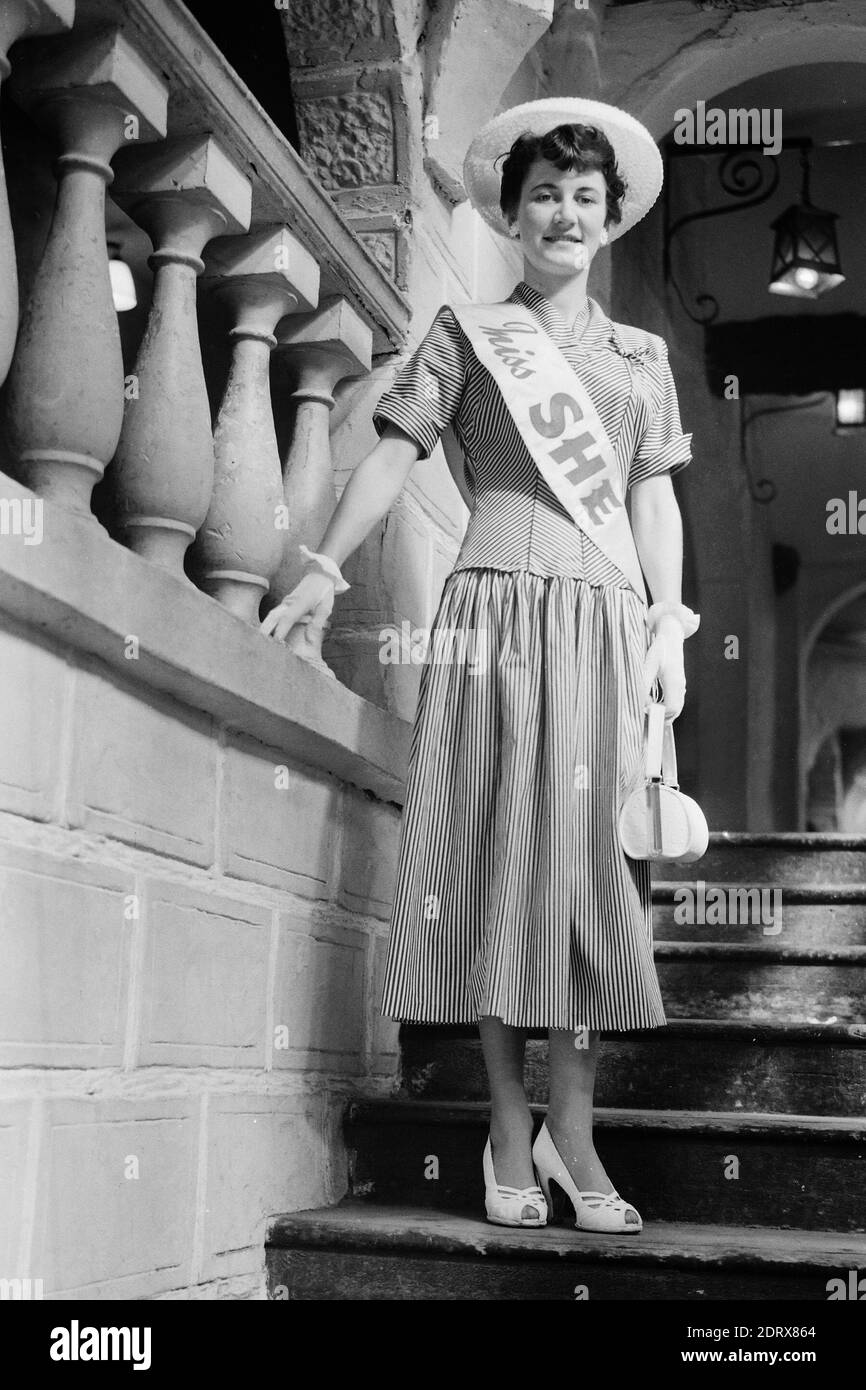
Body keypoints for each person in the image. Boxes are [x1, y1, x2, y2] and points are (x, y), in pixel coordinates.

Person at [261, 97, 699, 1234]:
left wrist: (665, 622)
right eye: (543, 193)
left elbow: (651, 497)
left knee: (590, 881)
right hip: (492, 621)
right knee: (503, 861)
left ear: (609, 221)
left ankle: (574, 1127)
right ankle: (507, 1127)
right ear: (511, 213)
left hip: (603, 626)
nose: (562, 212)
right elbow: (389, 453)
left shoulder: (638, 357)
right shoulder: (465, 334)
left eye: (583, 198)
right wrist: (319, 566)